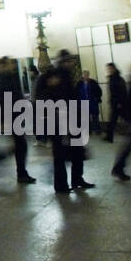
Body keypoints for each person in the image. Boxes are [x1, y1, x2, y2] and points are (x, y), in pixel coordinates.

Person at [35, 59, 92, 193]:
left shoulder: (67, 78)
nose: (70, 65)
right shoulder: (47, 79)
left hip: (71, 118)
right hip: (56, 120)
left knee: (76, 150)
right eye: (68, 62)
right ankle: (62, 185)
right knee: (60, 154)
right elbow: (41, 100)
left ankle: (76, 179)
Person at [0, 57, 35, 184]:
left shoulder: (8, 78)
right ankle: (20, 172)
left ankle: (5, 159)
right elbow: (2, 100)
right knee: (21, 145)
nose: (13, 66)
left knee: (20, 145)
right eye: (10, 64)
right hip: (12, 117)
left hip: (16, 115)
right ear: (4, 66)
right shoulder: (3, 80)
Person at [103, 63, 126, 142]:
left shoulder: (118, 79)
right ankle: (109, 136)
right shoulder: (112, 78)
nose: (108, 70)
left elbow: (122, 91)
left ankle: (109, 136)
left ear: (113, 69)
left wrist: (120, 102)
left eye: (109, 69)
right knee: (113, 120)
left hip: (118, 103)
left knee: (114, 120)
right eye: (108, 69)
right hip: (115, 103)